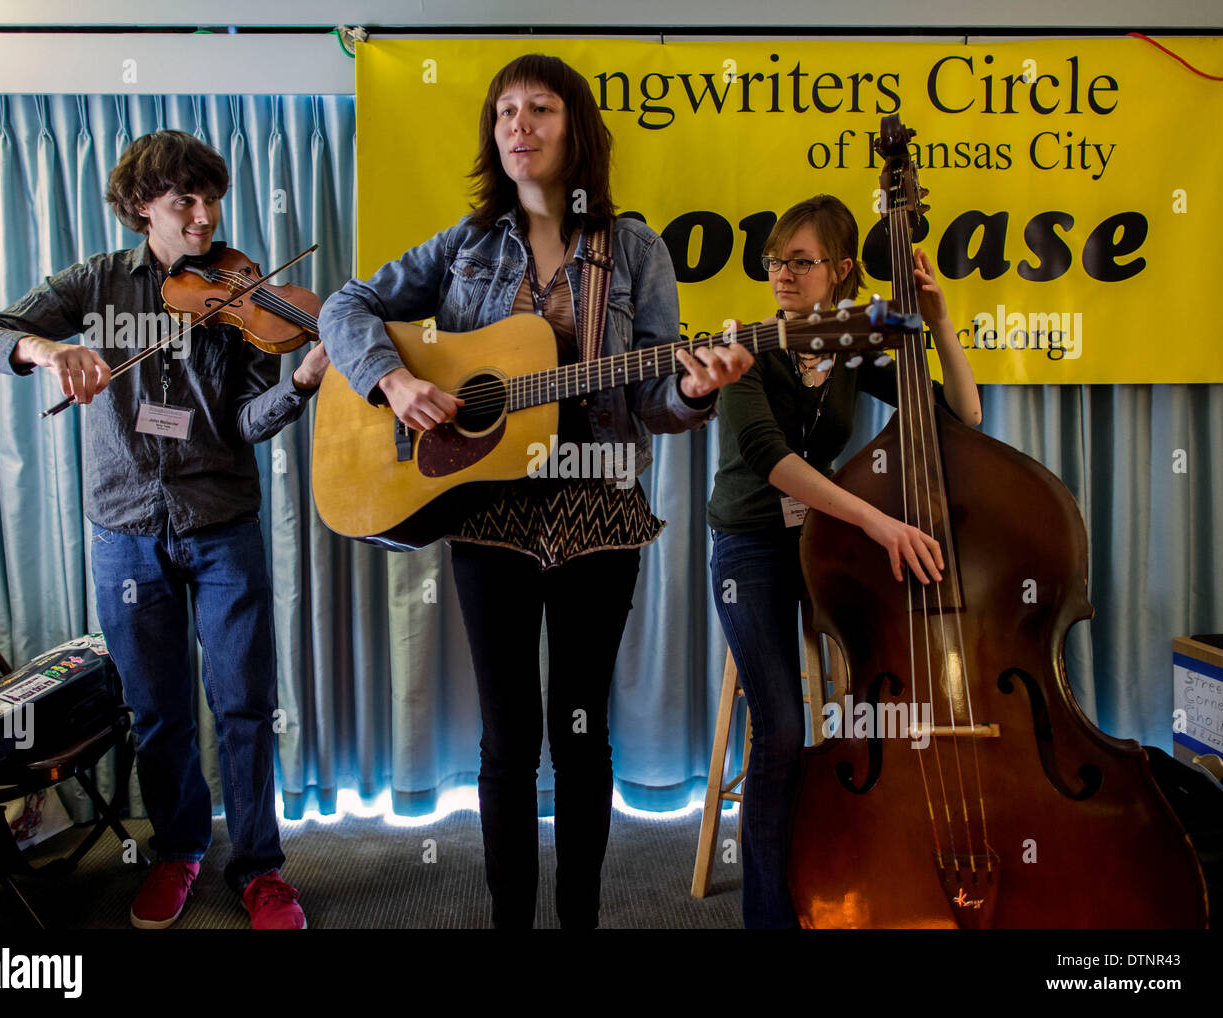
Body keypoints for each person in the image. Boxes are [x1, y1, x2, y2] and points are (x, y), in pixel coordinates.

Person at [319, 53, 752, 928]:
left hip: (599, 510)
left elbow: (654, 401)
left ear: (574, 128)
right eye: (505, 110)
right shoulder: (467, 244)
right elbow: (344, 306)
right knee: (508, 739)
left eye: (540, 108)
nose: (518, 124)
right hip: (490, 511)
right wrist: (393, 384)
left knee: (583, 733)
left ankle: (581, 918)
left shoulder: (635, 249)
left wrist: (695, 391)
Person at [0, 129, 330, 930]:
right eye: (183, 202)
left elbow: (245, 423)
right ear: (141, 210)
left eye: (211, 199)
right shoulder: (96, 282)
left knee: (245, 704)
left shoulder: (243, 291)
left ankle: (259, 867)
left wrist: (299, 380)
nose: (204, 217)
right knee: (156, 711)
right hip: (124, 531)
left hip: (222, 524)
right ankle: (179, 851)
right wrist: (46, 348)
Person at [706, 194, 982, 929]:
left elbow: (960, 414)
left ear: (842, 269)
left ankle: (863, 875)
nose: (783, 275)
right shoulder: (747, 343)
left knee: (876, 710)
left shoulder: (855, 346)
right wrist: (880, 523)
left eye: (801, 261)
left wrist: (939, 322)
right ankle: (771, 916)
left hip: (823, 540)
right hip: (751, 546)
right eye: (775, 261)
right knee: (784, 735)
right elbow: (771, 459)